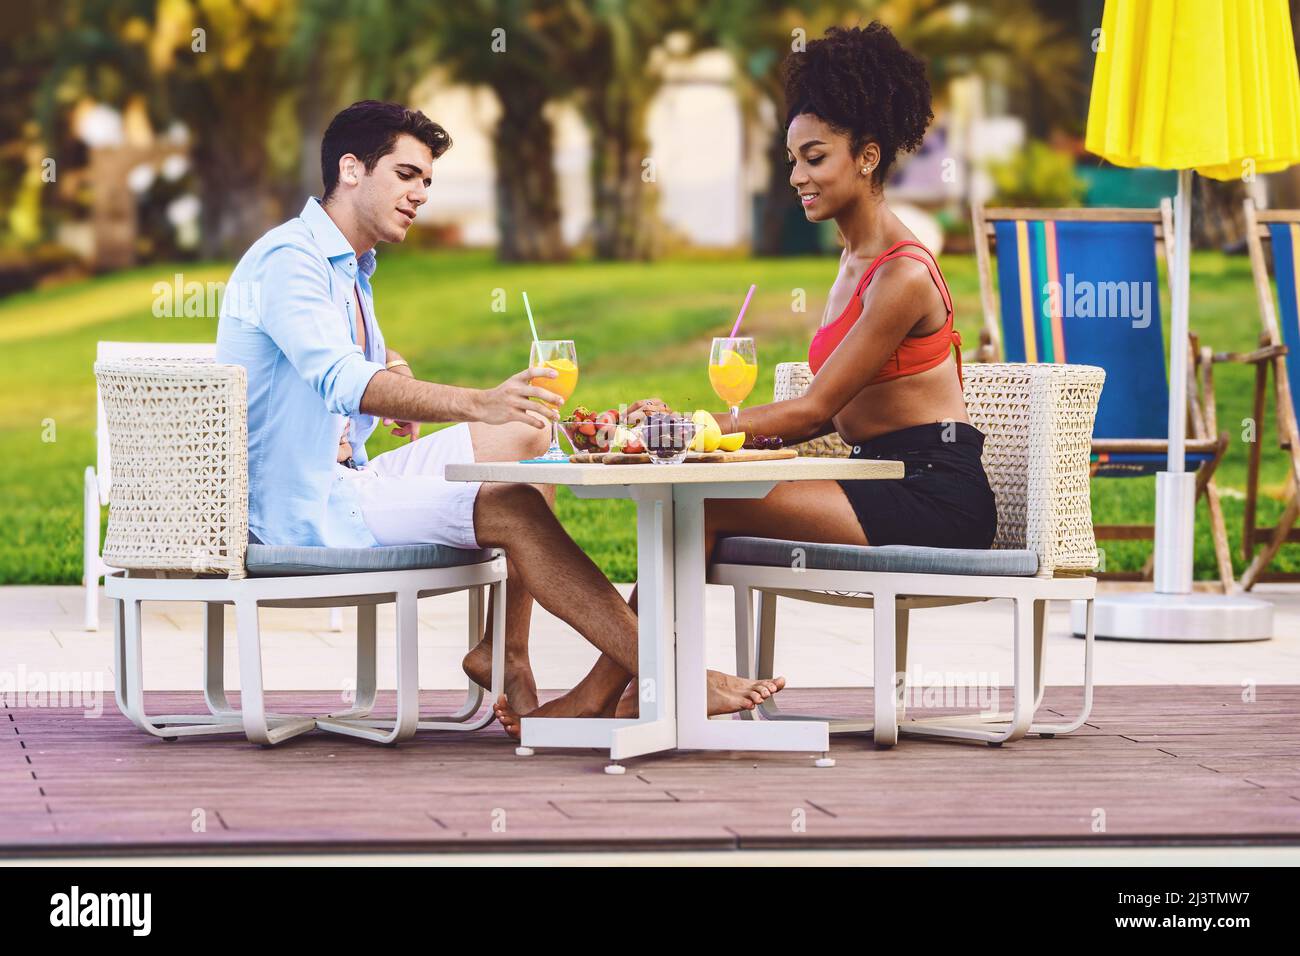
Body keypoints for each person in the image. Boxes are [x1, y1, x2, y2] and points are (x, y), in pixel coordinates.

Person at [217, 100, 779, 737]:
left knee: (527, 431)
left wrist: (393, 367)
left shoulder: (346, 269)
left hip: (349, 479)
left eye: (426, 181)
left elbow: (342, 362)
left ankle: (504, 650)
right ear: (351, 169)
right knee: (514, 503)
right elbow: (344, 381)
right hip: (306, 509)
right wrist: (471, 399)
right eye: (406, 174)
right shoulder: (289, 260)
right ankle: (674, 673)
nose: (420, 193)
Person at [511, 22, 997, 728]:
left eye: (814, 158)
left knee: (706, 503)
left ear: (866, 158)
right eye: (792, 158)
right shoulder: (850, 263)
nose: (797, 175)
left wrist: (689, 427)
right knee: (699, 500)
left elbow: (814, 409)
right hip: (878, 476)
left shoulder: (903, 274)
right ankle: (640, 690)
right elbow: (828, 416)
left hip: (935, 494)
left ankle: (610, 694)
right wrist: (688, 428)